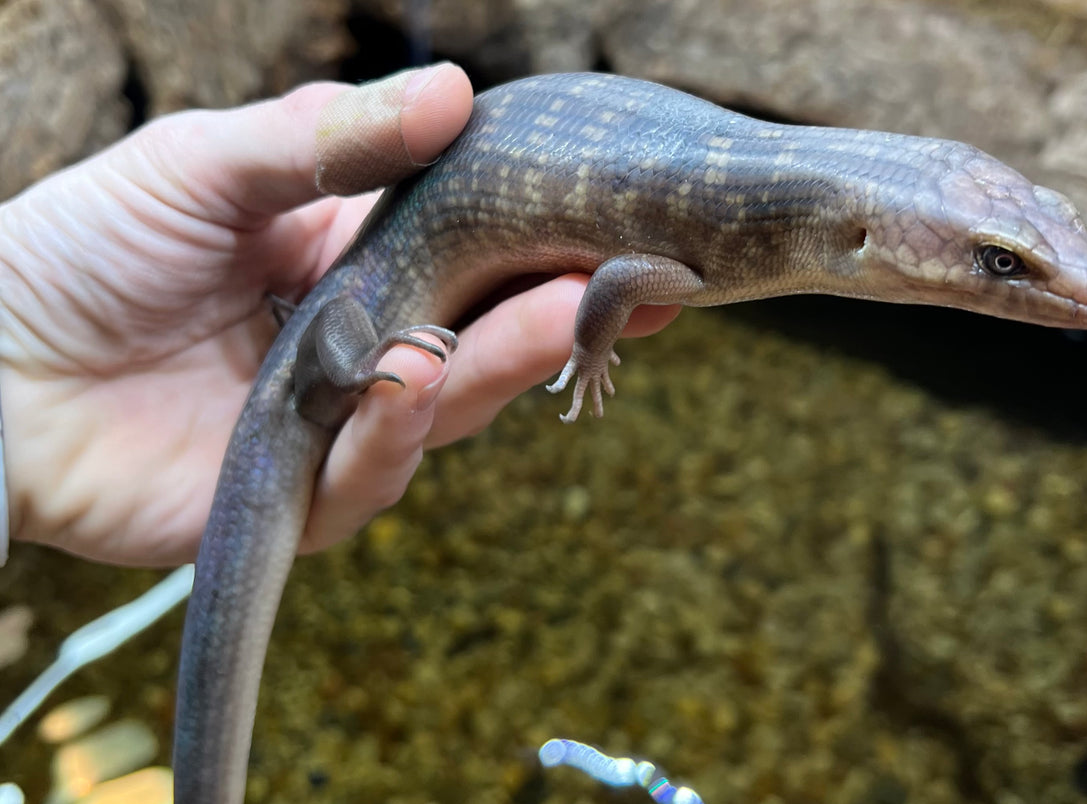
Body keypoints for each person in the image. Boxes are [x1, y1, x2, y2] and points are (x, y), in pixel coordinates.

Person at [0, 63, 678, 569]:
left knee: (375, 360)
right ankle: (348, 368)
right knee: (364, 361)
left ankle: (343, 364)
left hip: (337, 320)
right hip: (330, 341)